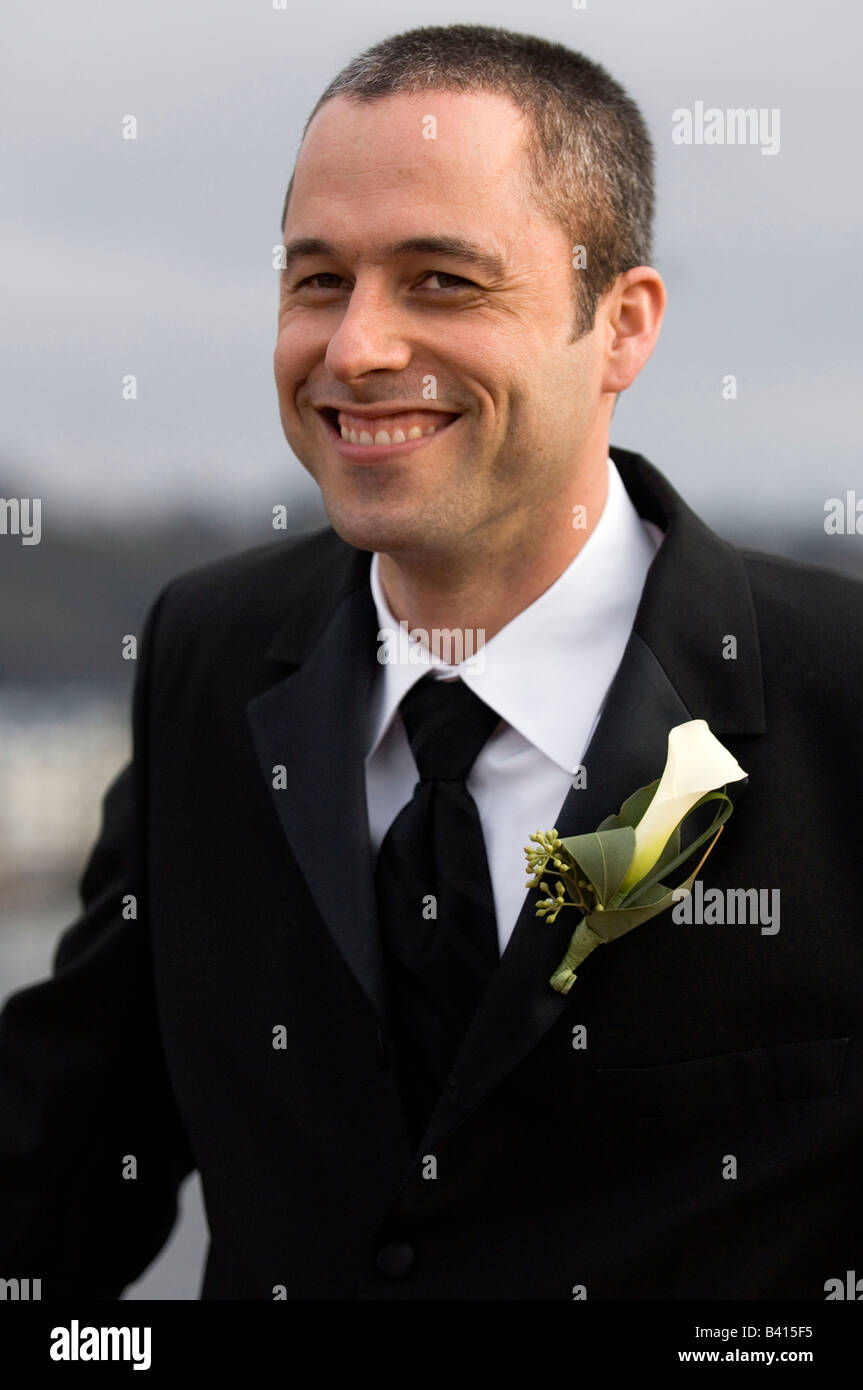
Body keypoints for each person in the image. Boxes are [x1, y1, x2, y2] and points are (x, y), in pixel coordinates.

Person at [1, 24, 861, 1301]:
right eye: (315, 281)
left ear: (619, 325)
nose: (354, 348)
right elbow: (64, 1158)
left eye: (440, 281)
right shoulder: (207, 655)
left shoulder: (834, 698)